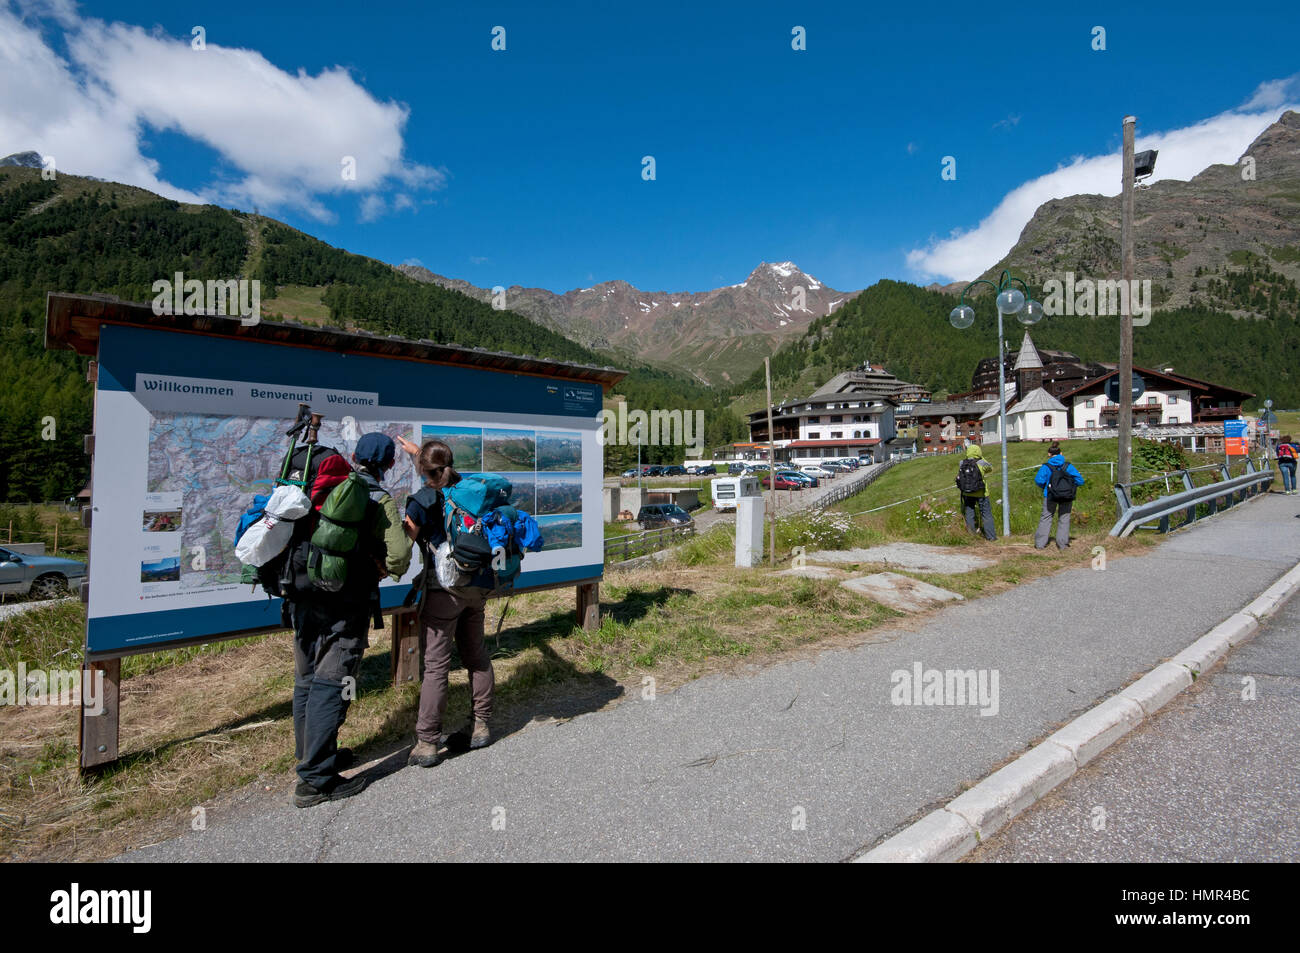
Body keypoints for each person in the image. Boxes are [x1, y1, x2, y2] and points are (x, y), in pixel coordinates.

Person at [291, 432, 410, 807]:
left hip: (301, 596)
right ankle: (316, 781)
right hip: (345, 603)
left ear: (354, 455)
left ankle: (311, 756)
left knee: (307, 679)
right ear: (389, 464)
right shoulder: (376, 498)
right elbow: (399, 558)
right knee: (332, 683)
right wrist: (380, 565)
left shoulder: (320, 486)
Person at [398, 436, 498, 769]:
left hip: (442, 592)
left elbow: (404, 544)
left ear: (424, 471)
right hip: (475, 587)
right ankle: (480, 725)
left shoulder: (421, 500)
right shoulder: (467, 489)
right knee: (476, 654)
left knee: (437, 666)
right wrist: (420, 456)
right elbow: (444, 475)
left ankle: (427, 742)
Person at [1034, 441, 1084, 550]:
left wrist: (1046, 486)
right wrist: (1070, 487)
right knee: (1064, 518)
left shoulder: (1046, 466)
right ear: (1061, 453)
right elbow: (1080, 481)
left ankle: (1040, 544)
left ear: (1049, 454)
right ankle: (1062, 544)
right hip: (1067, 495)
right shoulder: (1068, 466)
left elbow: (1038, 480)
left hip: (1050, 495)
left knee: (1046, 518)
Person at [956, 443, 996, 540]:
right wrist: (981, 457)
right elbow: (990, 468)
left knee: (969, 514)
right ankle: (991, 537)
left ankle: (971, 536)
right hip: (981, 492)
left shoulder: (962, 463)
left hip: (967, 492)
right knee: (986, 514)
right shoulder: (981, 462)